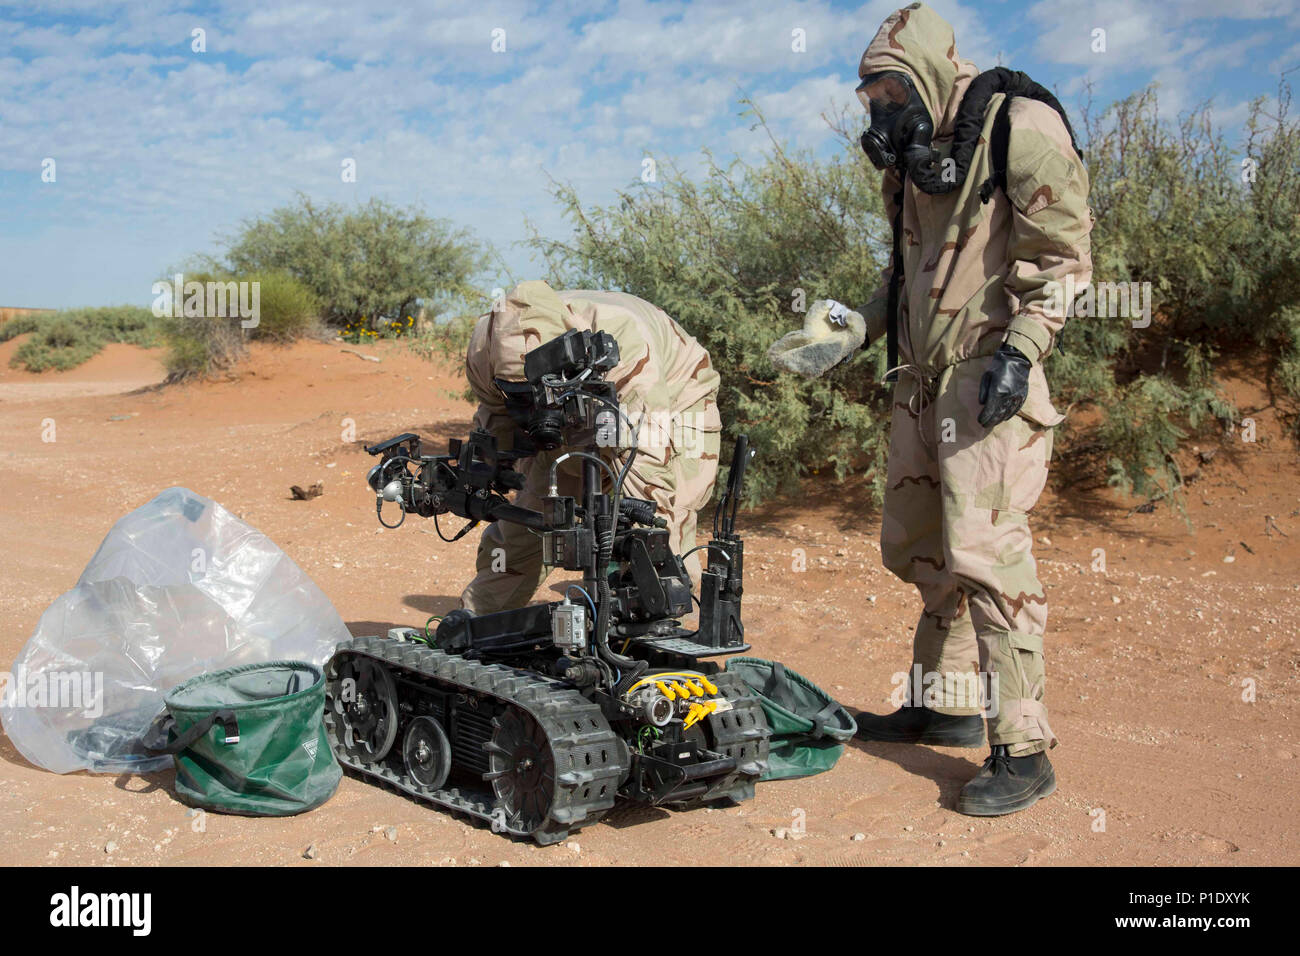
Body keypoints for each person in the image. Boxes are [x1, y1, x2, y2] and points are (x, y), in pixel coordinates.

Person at [770, 2, 1093, 816]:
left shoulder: (1019, 124)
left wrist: (1022, 352)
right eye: (866, 96)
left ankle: (1023, 749)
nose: (875, 108)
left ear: (924, 75)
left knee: (986, 556)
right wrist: (832, 338)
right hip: (921, 383)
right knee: (922, 552)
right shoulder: (909, 166)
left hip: (988, 376)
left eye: (885, 90)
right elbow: (898, 282)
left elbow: (1064, 259)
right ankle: (943, 703)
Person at [459, 280, 722, 615]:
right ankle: (479, 616)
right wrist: (491, 471)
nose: (533, 400)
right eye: (520, 392)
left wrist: (643, 528)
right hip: (576, 401)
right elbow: (496, 418)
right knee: (536, 516)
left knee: (662, 516)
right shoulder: (484, 352)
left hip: (675, 393)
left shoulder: (624, 342)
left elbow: (647, 461)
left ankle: (656, 618)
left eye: (541, 390)